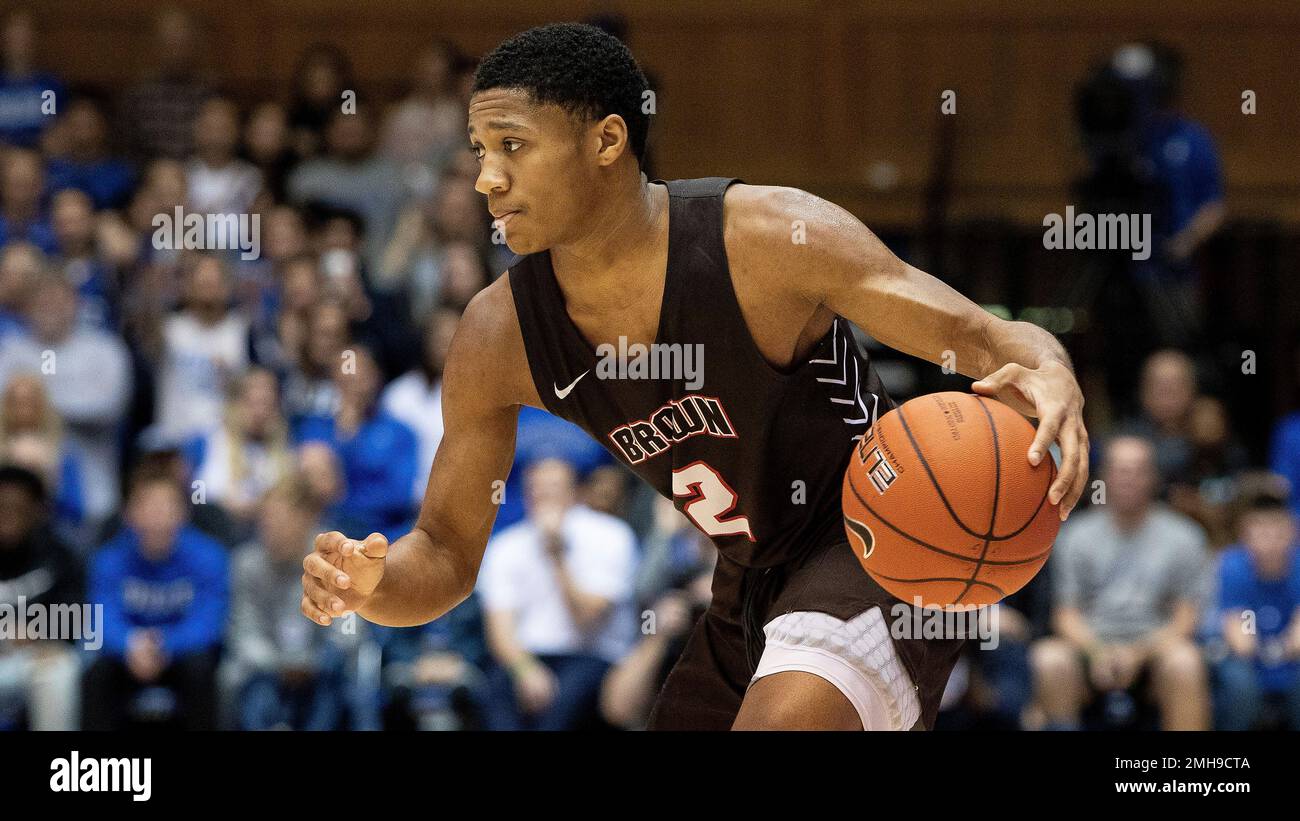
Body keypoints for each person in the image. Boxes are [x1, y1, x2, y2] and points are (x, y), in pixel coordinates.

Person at [301, 23, 1089, 731]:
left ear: (606, 141)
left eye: (513, 146)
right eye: (479, 151)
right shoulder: (497, 332)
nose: (486, 180)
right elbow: (443, 551)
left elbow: (985, 338)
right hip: (744, 586)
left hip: (878, 542)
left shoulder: (769, 239)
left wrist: (1052, 369)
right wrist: (369, 586)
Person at [1032, 436, 1210, 730]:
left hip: (1157, 648)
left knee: (1186, 662)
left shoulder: (1185, 537)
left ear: (1154, 478)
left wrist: (1138, 654)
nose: (1129, 479)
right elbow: (1065, 614)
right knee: (1048, 658)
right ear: (1104, 477)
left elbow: (1186, 618)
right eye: (1121, 470)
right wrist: (1098, 652)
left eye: (1139, 470)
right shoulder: (1075, 536)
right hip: (1091, 646)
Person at [477, 458, 638, 730]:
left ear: (575, 491)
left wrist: (557, 556)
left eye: (553, 487)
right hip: (527, 656)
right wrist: (525, 670)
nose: (542, 495)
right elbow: (499, 632)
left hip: (591, 655)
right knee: (494, 693)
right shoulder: (504, 546)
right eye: (535, 488)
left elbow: (588, 619)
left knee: (560, 710)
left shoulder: (611, 536)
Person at [83, 465, 229, 730]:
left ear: (183, 512)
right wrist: (130, 644)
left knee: (201, 669)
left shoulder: (209, 556)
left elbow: (209, 621)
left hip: (182, 653)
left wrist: (165, 645)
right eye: (148, 506)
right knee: (96, 673)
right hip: (127, 654)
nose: (157, 516)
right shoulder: (108, 559)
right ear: (129, 513)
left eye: (166, 506)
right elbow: (101, 617)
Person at [0, 464, 82, 730]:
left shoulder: (59, 553)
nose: (8, 515)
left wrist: (37, 632)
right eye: (2, 507)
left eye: (17, 507)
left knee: (58, 674)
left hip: (38, 656)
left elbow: (77, 617)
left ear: (37, 510)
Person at [1213, 485, 1300, 730]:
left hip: (1293, 662)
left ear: (1292, 532)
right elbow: (1241, 639)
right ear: (1245, 533)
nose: (1270, 540)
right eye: (1261, 531)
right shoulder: (1232, 565)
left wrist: (1283, 648)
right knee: (1238, 681)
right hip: (1246, 661)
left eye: (1277, 531)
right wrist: (1277, 649)